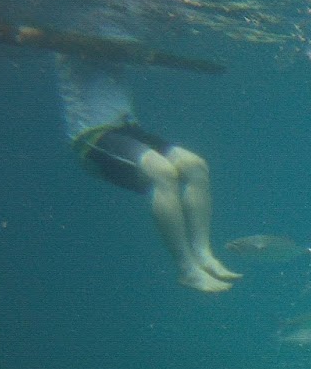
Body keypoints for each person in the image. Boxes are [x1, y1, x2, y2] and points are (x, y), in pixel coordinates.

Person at [57, 52, 240, 292]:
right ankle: (187, 269)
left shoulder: (117, 27)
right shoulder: (78, 28)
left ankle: (204, 254)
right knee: (162, 171)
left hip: (127, 129)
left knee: (196, 166)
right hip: (91, 136)